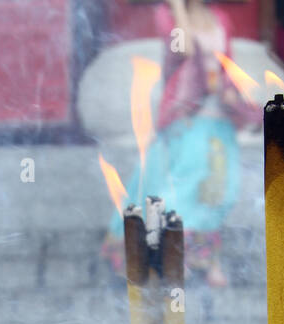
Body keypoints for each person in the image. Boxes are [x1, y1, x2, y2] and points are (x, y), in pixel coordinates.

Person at [101, 0, 258, 288]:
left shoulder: (219, 17)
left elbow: (228, 63)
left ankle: (209, 257)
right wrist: (178, 7)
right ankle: (175, 252)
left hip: (220, 115)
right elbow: (182, 50)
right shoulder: (167, 15)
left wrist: (237, 97)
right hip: (187, 114)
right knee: (187, 185)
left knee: (222, 188)